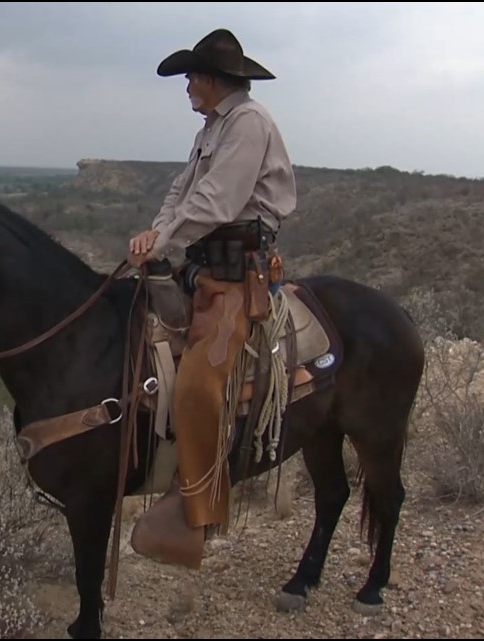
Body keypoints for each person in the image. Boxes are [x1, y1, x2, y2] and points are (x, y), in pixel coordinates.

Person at [127, 28, 297, 570]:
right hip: (201, 269)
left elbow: (218, 199)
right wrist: (154, 234)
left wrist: (167, 238)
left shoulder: (248, 124)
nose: (186, 88)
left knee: (200, 382)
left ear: (213, 79)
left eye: (191, 78)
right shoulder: (212, 129)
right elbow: (182, 191)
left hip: (235, 277)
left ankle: (197, 511)